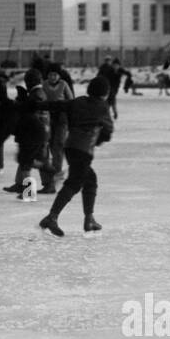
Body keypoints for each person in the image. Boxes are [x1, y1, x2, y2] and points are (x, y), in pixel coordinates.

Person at [38, 76, 115, 237]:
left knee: (90, 180)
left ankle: (89, 219)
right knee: (74, 183)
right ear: (105, 92)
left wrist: (33, 105)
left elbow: (58, 105)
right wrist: (98, 138)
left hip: (70, 146)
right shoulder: (102, 106)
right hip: (84, 150)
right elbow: (108, 131)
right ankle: (52, 217)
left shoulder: (78, 101)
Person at [4, 69, 53, 197]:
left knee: (32, 160)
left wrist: (21, 101)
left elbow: (29, 111)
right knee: (26, 158)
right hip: (35, 132)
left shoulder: (37, 94)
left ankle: (46, 184)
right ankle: (21, 184)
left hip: (36, 133)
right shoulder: (36, 92)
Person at [41, 64, 73, 185]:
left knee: (58, 144)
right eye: (50, 74)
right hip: (48, 119)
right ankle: (52, 169)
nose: (53, 77)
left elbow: (71, 101)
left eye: (55, 74)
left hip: (62, 119)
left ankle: (57, 171)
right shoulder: (44, 85)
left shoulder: (64, 84)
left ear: (59, 75)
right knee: (49, 144)